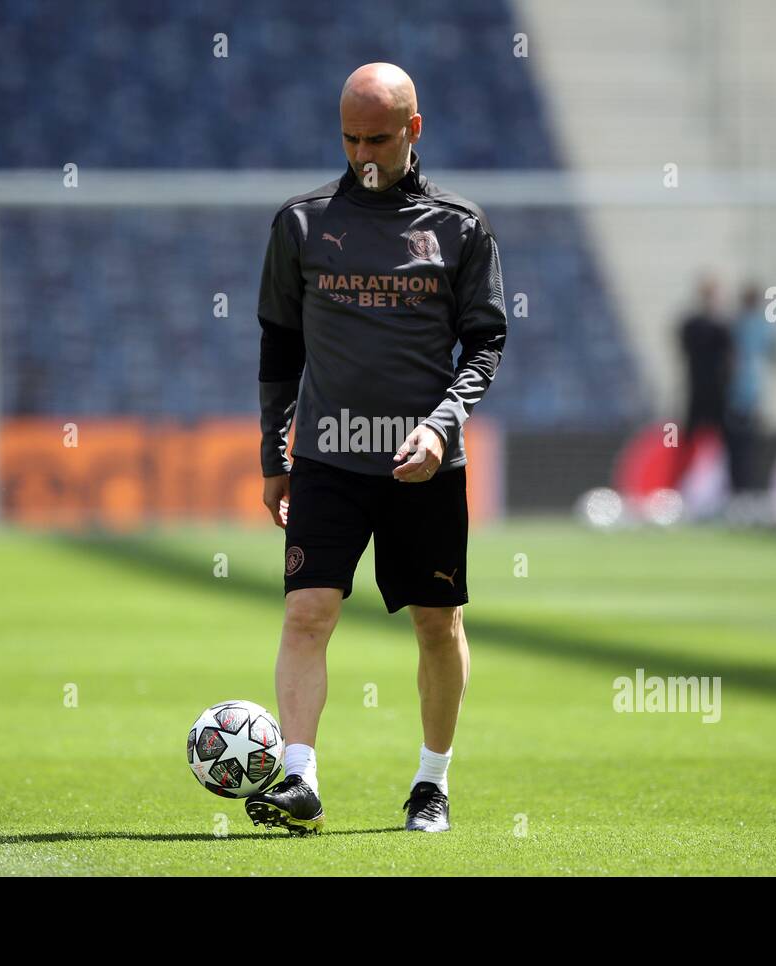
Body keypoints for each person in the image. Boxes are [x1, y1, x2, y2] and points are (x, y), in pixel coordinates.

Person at [250, 63, 508, 834]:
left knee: (436, 624)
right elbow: (278, 343)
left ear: (414, 130)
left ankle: (431, 785)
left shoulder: (461, 225)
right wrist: (274, 452)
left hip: (423, 463)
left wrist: (440, 426)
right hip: (328, 458)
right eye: (351, 138)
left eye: (380, 138)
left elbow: (486, 344)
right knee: (307, 614)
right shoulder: (300, 223)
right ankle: (300, 778)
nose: (365, 154)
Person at [726, 283, 776, 494]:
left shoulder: (751, 324)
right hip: (736, 395)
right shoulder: (737, 324)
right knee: (738, 446)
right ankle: (738, 489)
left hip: (749, 394)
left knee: (747, 446)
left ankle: (745, 489)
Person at [674, 276, 733, 490]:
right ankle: (680, 485)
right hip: (698, 392)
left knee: (723, 443)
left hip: (717, 394)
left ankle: (722, 489)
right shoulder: (695, 325)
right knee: (686, 441)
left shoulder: (721, 326)